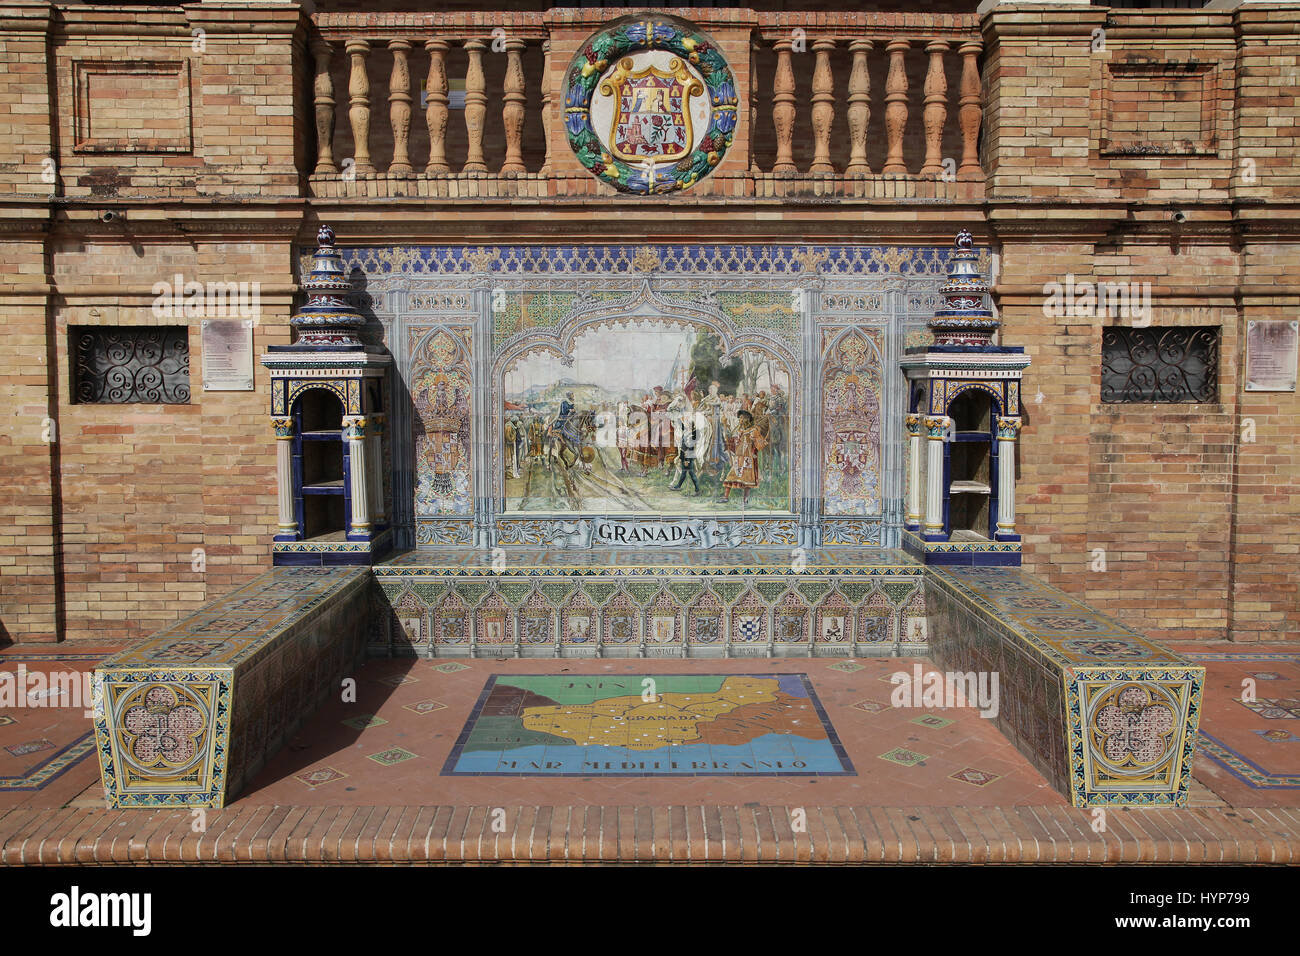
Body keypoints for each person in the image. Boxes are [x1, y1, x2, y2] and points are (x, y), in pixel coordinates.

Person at [720, 409, 767, 506]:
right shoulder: (738, 431)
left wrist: (755, 451)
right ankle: (725, 497)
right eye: (740, 418)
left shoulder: (753, 430)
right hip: (739, 457)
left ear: (748, 419)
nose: (740, 420)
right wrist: (725, 426)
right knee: (731, 475)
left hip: (748, 457)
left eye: (742, 418)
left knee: (747, 478)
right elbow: (731, 440)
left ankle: (745, 500)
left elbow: (759, 443)